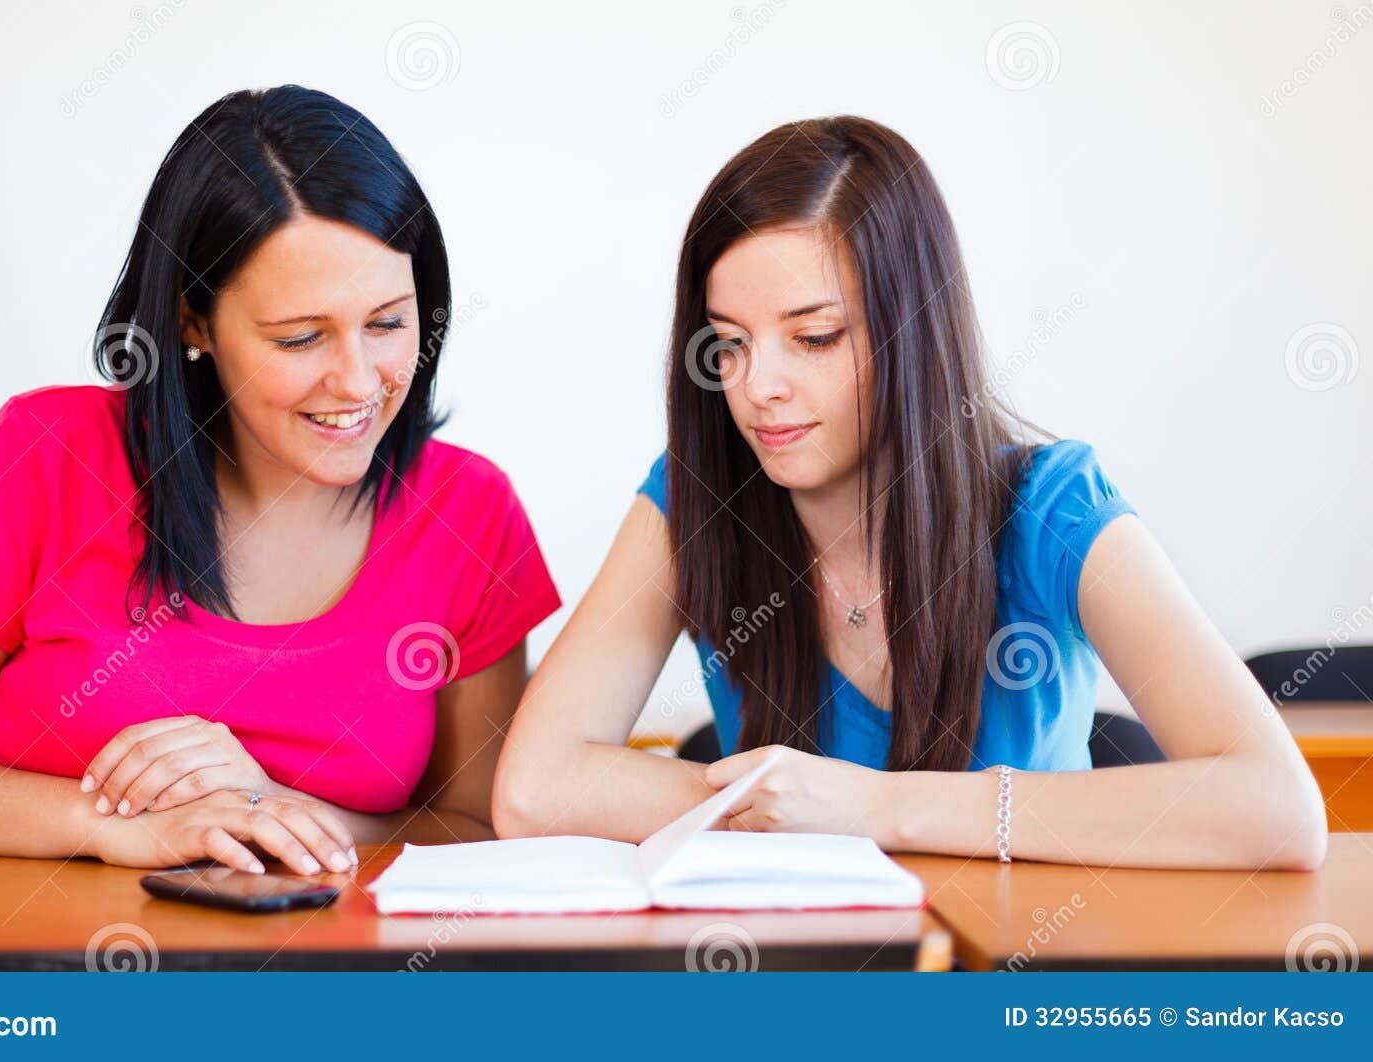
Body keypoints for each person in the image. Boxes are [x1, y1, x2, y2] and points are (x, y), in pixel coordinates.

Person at [494, 116, 1325, 870]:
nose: (757, 387)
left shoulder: (1053, 505)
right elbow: (533, 787)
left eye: (813, 337)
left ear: (912, 331)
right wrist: (787, 809)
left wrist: (870, 808)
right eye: (730, 344)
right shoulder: (693, 494)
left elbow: (1277, 810)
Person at [0, 86, 559, 875]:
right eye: (301, 337)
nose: (357, 381)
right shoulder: (51, 457)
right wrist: (103, 825)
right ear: (193, 322)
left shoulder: (468, 512)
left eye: (387, 323)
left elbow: (479, 828)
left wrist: (274, 810)